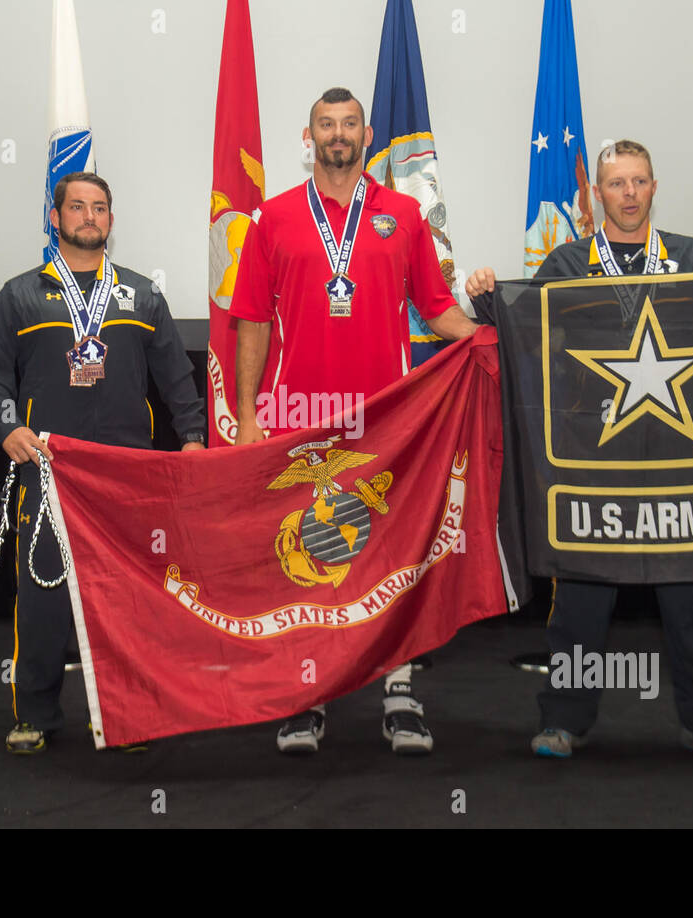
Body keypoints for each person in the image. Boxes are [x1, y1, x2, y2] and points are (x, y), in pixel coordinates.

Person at [465, 140, 693, 764]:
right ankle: (563, 720)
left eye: (639, 181)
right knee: (580, 598)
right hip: (591, 463)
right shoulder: (568, 263)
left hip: (680, 460)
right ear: (598, 194)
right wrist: (484, 296)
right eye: (617, 183)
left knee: (690, 598)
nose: (629, 193)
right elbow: (520, 331)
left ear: (655, 187)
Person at [229, 87, 479, 756]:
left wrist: (489, 338)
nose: (338, 135)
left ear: (367, 135)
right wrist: (247, 413)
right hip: (298, 418)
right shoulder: (272, 217)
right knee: (310, 553)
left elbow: (436, 307)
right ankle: (307, 695)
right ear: (307, 136)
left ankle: (399, 693)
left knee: (392, 555)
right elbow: (251, 319)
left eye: (348, 125)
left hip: (388, 419)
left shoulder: (403, 213)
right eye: (326, 125)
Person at [0, 172, 206, 754]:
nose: (89, 217)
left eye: (99, 208)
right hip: (49, 467)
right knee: (42, 595)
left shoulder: (142, 295)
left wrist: (193, 437)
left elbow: (177, 377)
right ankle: (35, 715)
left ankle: (130, 716)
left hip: (127, 473)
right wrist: (8, 426)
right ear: (55, 217)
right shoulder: (19, 296)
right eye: (77, 207)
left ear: (111, 220)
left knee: (129, 598)